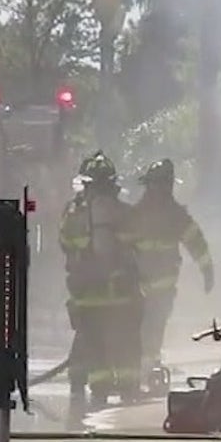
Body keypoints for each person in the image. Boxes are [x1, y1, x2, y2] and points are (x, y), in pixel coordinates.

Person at [59, 151, 143, 410]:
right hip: (121, 297)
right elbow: (138, 248)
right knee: (126, 343)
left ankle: (99, 393)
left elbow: (65, 246)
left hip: (90, 296)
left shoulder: (72, 215)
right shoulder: (125, 212)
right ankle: (127, 391)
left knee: (94, 345)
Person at [130, 159, 214, 381]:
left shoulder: (175, 215)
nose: (155, 190)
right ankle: (137, 368)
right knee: (138, 326)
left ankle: (147, 368)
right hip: (134, 285)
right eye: (153, 185)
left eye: (159, 185)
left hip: (160, 286)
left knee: (154, 326)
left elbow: (196, 242)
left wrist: (207, 270)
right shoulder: (135, 214)